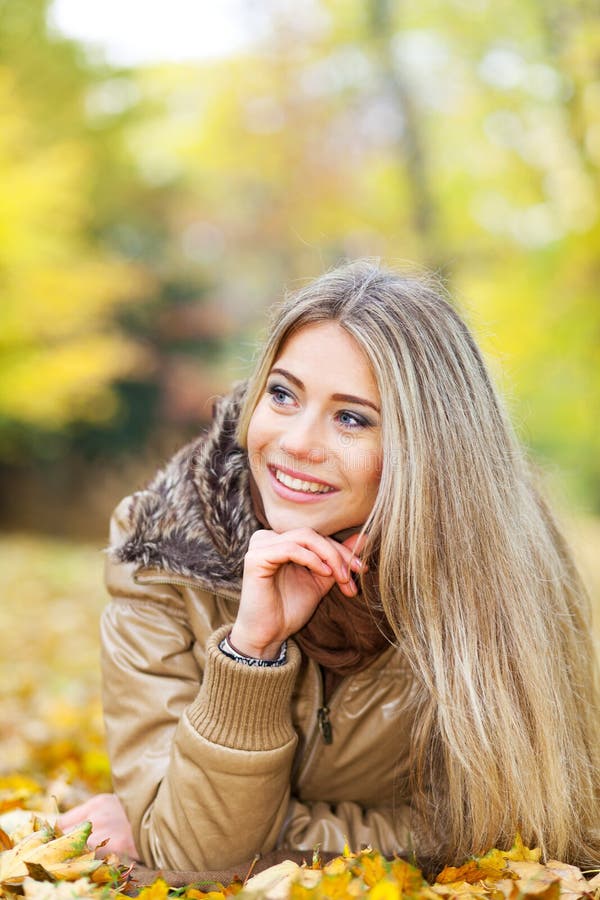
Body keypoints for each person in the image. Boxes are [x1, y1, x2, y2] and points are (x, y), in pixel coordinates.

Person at [59, 260, 600, 873]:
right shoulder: (162, 551)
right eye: (283, 395)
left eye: (351, 418)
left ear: (427, 446)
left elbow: (524, 827)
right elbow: (196, 852)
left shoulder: (504, 565)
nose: (295, 442)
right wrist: (251, 652)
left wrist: (253, 832)